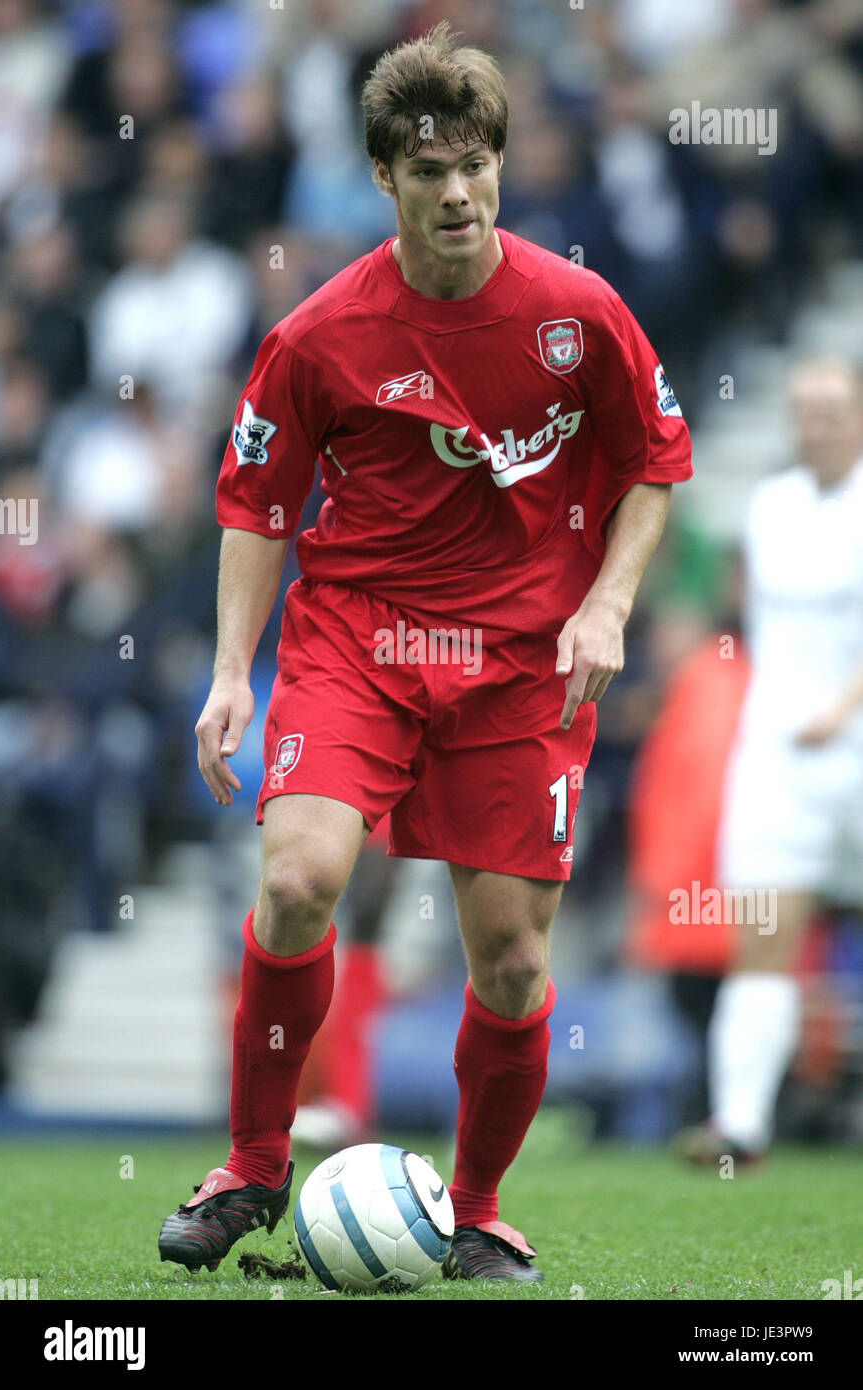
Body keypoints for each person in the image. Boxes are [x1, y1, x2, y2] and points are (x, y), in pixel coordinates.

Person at [158, 22, 691, 1283]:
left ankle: (479, 1205)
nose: (457, 190)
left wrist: (607, 600)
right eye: (426, 168)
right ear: (384, 180)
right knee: (297, 877)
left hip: (518, 663)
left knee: (508, 959)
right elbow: (254, 499)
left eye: (475, 164)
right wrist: (235, 671)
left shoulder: (577, 313)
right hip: (357, 644)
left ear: (499, 168)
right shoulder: (320, 333)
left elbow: (655, 465)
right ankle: (249, 1163)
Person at [682, 356, 863, 1166]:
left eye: (830, 406)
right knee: (761, 934)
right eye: (803, 407)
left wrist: (842, 704)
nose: (815, 421)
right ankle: (739, 1126)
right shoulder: (769, 506)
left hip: (851, 745)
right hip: (781, 759)